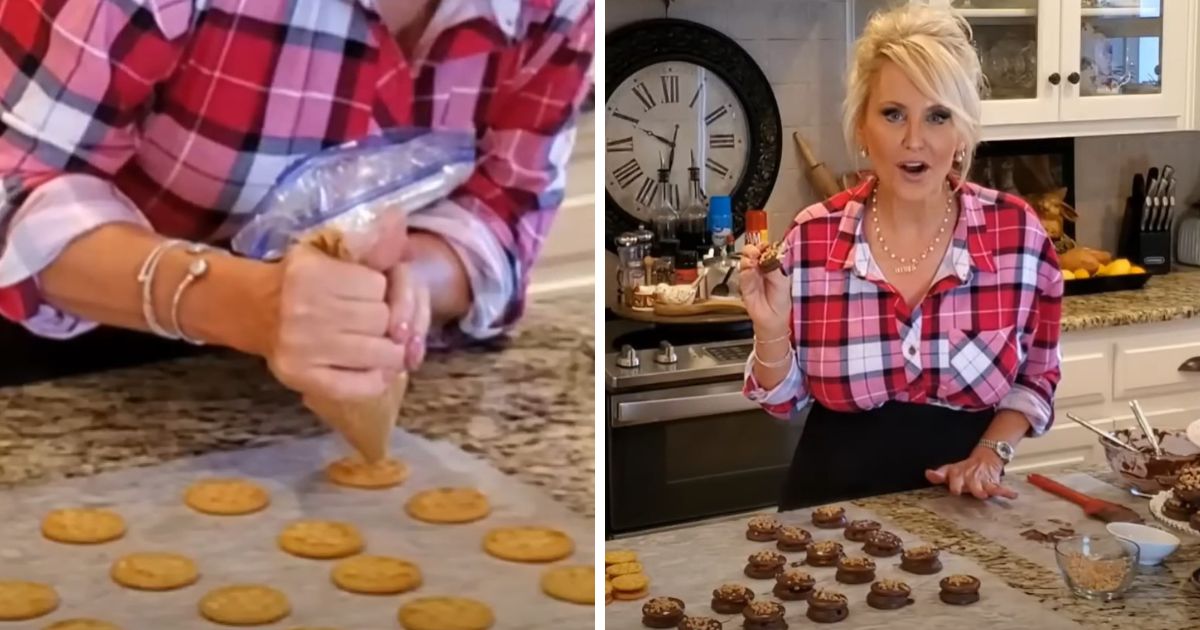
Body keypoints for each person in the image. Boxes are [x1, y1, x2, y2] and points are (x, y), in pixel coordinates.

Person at [0, 0, 594, 401]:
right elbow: (16, 184)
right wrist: (242, 300)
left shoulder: (560, 11)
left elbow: (505, 209)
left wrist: (404, 285)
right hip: (80, 364)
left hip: (348, 391)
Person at [739, 4, 1062, 510]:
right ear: (863, 128)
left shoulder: (1015, 235)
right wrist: (771, 327)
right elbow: (783, 402)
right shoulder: (813, 238)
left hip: (965, 512)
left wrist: (989, 453)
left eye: (938, 116)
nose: (915, 140)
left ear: (961, 134)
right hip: (828, 515)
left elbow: (1037, 377)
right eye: (893, 114)